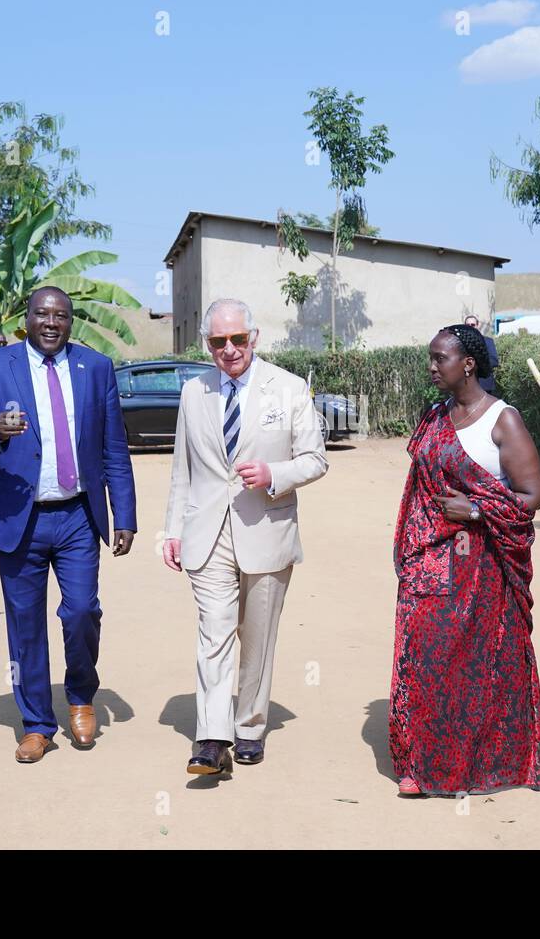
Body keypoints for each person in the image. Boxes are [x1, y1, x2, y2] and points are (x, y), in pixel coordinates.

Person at [0, 287, 137, 764]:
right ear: (27, 319)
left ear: (71, 321)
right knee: (25, 626)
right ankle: (36, 723)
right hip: (20, 518)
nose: (52, 323)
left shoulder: (95, 368)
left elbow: (114, 447)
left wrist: (125, 515)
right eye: (42, 314)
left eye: (61, 315)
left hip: (78, 515)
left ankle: (80, 696)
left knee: (81, 612)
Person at [163, 298, 328, 776]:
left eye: (238, 339)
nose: (229, 349)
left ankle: (250, 726)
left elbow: (316, 458)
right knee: (213, 633)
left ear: (254, 337)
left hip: (267, 531)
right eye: (218, 341)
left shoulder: (290, 388)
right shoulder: (194, 391)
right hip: (207, 533)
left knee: (256, 639)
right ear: (207, 344)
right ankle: (212, 738)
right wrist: (173, 529)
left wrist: (273, 473)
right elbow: (183, 468)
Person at [390, 324, 540, 797]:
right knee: (423, 660)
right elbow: (420, 489)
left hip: (482, 568)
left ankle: (477, 765)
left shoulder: (503, 420)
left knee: (477, 667)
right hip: (429, 561)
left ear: (469, 364)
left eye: (440, 358)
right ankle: (422, 763)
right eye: (430, 357)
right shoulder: (433, 416)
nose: (432, 367)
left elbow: (533, 495)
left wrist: (476, 510)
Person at [463, 314, 500, 395]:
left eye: (473, 325)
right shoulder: (460, 343)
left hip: (484, 385)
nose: (470, 327)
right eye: (468, 325)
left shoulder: (488, 341)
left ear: (477, 325)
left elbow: (494, 361)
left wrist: (475, 362)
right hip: (465, 386)